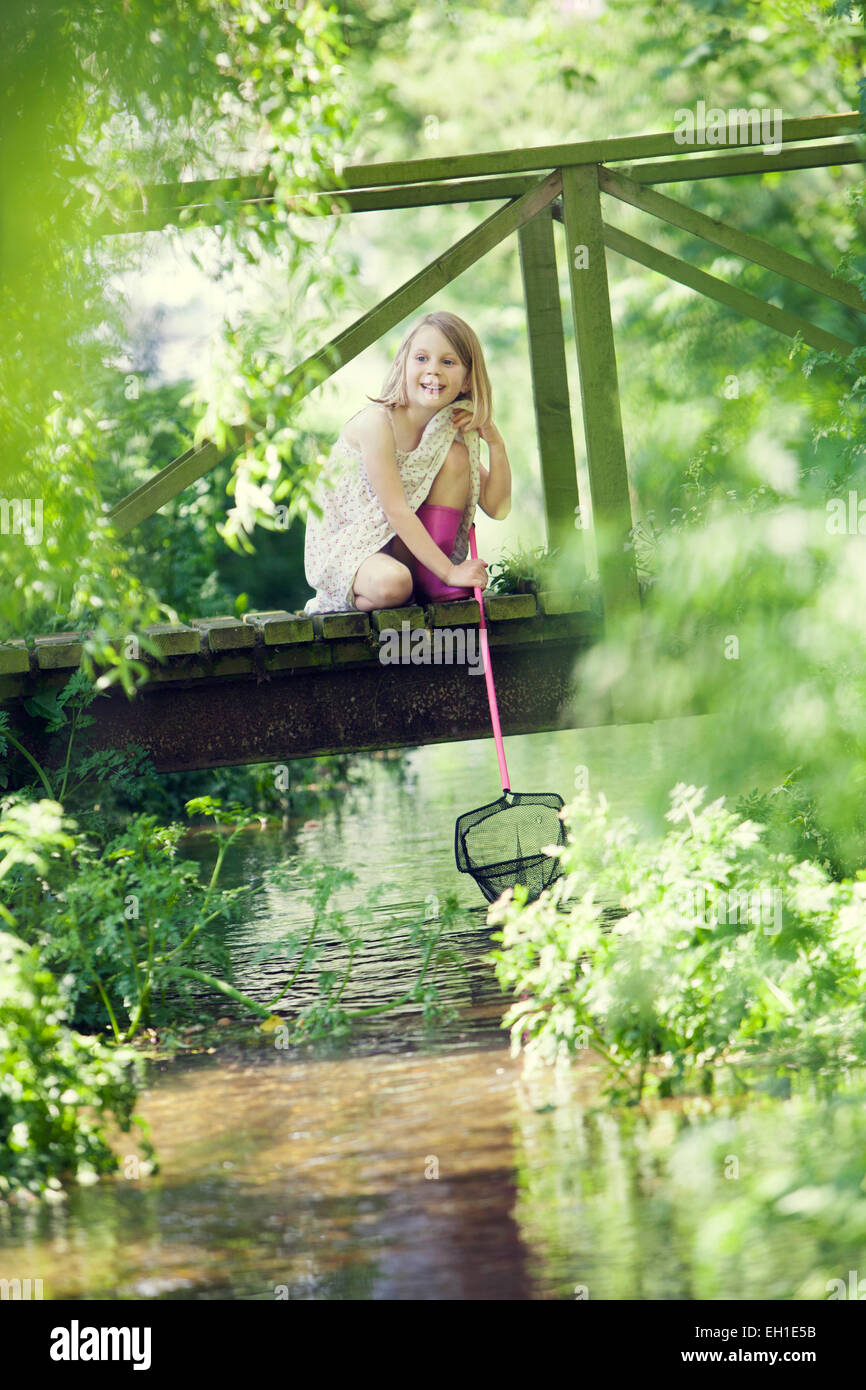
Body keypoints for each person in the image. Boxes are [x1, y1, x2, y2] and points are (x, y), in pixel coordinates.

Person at [303, 311, 512, 615]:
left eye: (448, 362)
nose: (433, 371)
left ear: (466, 380)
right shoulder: (377, 424)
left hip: (399, 546)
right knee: (395, 585)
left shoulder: (445, 430)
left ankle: (430, 582)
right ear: (402, 365)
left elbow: (498, 508)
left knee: (457, 458)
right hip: (351, 548)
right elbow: (397, 510)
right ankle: (348, 599)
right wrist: (452, 572)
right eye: (422, 358)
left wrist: (495, 442)